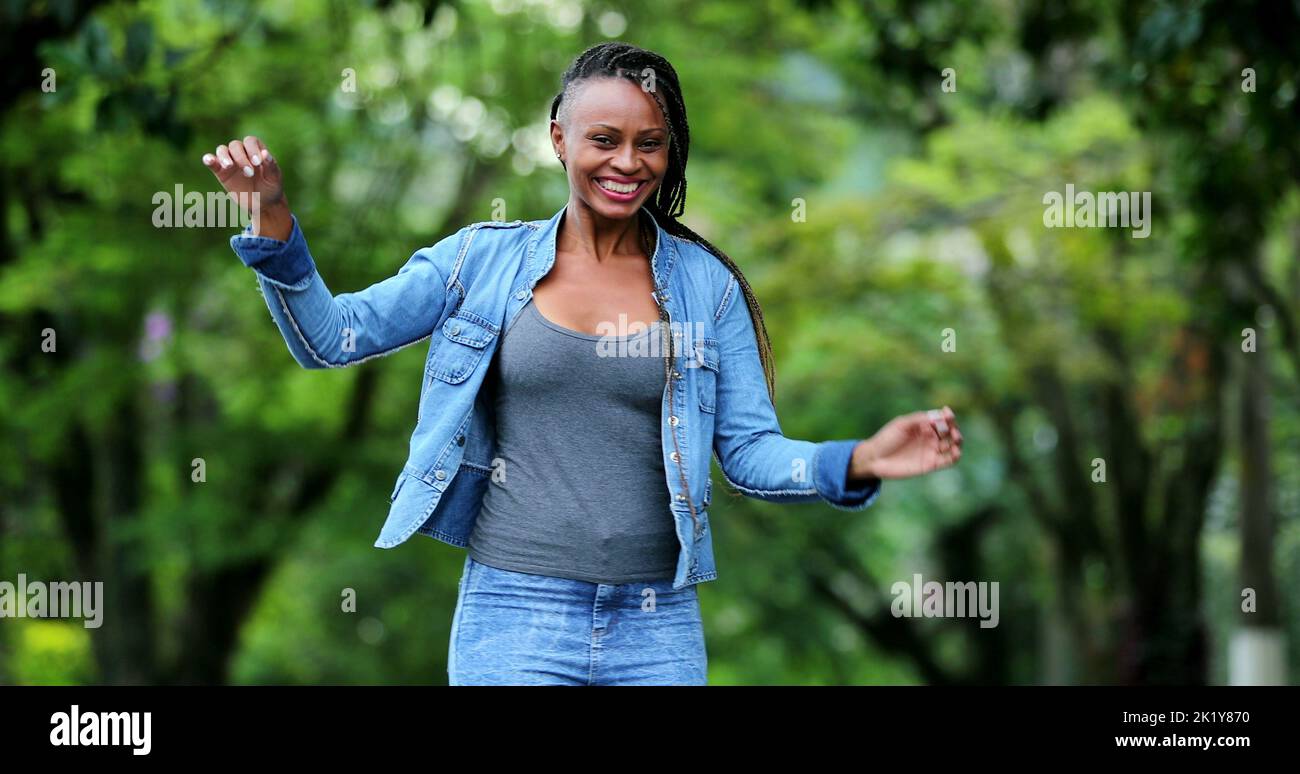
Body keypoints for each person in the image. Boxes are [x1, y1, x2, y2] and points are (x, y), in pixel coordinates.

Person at [206, 42, 963, 686]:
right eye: (604, 139)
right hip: (514, 614)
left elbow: (750, 453)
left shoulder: (707, 287)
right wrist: (272, 219)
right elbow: (332, 338)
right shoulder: (479, 260)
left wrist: (857, 460)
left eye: (650, 143)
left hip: (656, 625)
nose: (627, 163)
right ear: (558, 139)